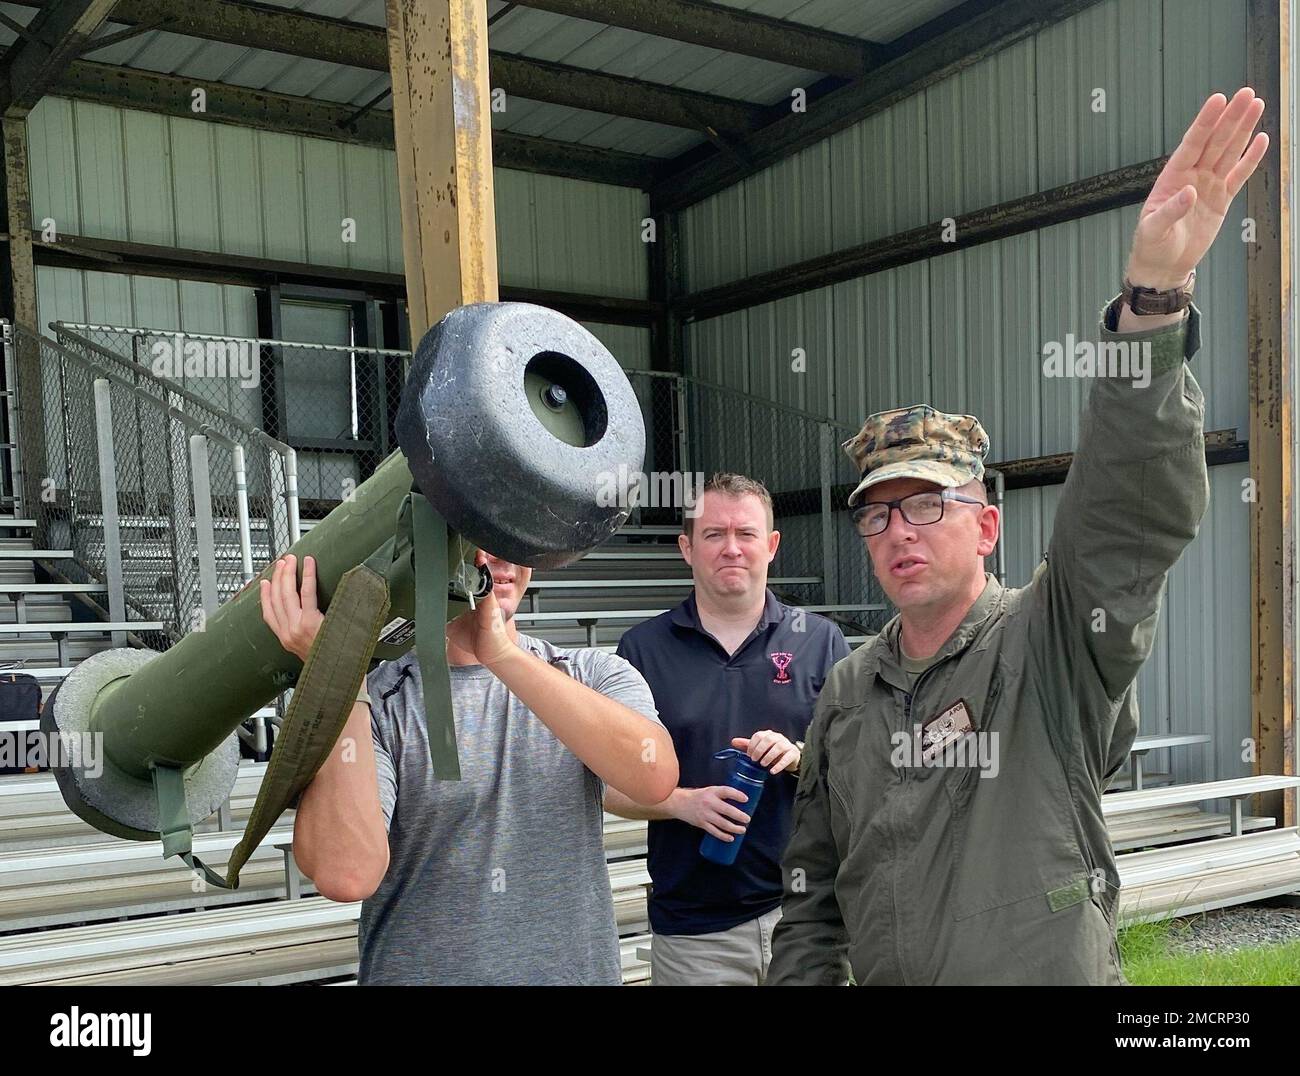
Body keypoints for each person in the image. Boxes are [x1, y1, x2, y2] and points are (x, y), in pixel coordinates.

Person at [767, 88, 1268, 986]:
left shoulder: (1051, 639)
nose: (898, 532)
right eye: (877, 512)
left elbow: (1128, 505)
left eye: (928, 505)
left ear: (987, 524)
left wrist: (1152, 305)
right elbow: (812, 898)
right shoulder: (847, 689)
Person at [259, 546, 678, 985]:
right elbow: (346, 874)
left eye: (514, 539)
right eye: (475, 538)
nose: (497, 557)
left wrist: (504, 656)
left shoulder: (592, 673)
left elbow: (654, 777)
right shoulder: (382, 700)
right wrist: (339, 678)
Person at [609, 473, 850, 985]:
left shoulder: (822, 642)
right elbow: (606, 788)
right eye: (714, 534)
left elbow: (858, 768)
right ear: (687, 548)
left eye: (746, 534)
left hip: (805, 919)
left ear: (772, 545)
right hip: (695, 933)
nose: (732, 549)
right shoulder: (642, 650)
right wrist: (680, 803)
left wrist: (800, 756)